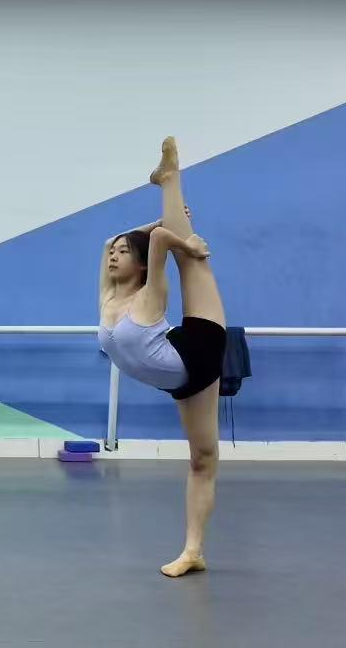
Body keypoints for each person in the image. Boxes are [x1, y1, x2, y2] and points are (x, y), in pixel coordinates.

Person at [97, 137, 226, 577]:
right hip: (180, 375)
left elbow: (159, 242)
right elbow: (114, 240)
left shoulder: (150, 293)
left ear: (139, 264)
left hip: (201, 347)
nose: (113, 255)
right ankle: (194, 552)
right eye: (113, 253)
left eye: (122, 253)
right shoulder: (107, 296)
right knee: (201, 459)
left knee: (194, 264)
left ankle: (170, 179)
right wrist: (152, 225)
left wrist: (185, 247)